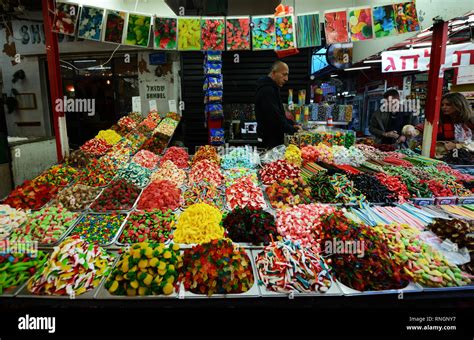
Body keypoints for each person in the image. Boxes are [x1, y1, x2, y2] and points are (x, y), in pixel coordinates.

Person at [255, 61, 301, 148]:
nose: (286, 79)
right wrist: (291, 129)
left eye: (287, 75)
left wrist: (290, 124)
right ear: (273, 73)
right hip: (270, 142)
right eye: (284, 74)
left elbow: (279, 115)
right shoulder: (267, 91)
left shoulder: (272, 88)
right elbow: (275, 118)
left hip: (272, 139)